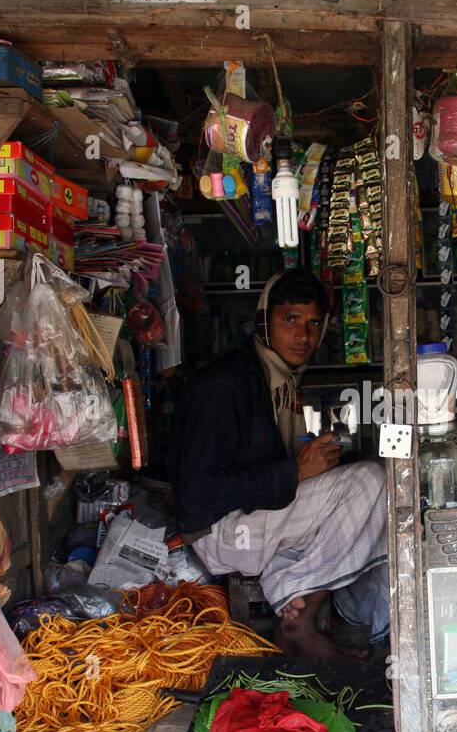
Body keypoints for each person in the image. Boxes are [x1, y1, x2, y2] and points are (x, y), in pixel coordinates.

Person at [167, 268, 389, 659]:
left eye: (313, 324)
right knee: (369, 481)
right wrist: (296, 472)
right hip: (220, 535)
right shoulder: (225, 385)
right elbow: (197, 497)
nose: (304, 335)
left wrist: (312, 469)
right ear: (264, 321)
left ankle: (314, 602)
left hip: (252, 520)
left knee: (377, 488)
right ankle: (298, 617)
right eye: (290, 320)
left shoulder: (278, 380)